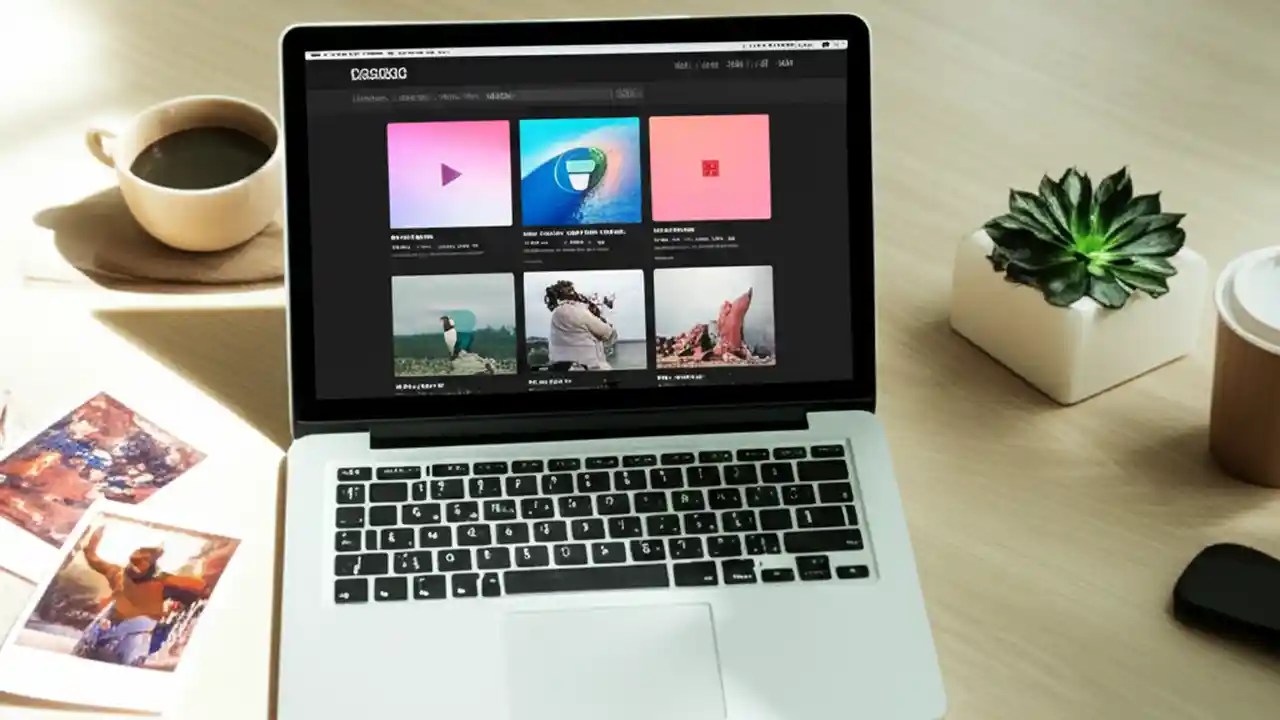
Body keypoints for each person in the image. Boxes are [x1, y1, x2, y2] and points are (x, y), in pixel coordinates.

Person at [74, 526, 206, 667]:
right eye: (133, 561)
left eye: (140, 563)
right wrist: (92, 544)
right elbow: (93, 558)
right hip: (108, 628)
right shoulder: (118, 573)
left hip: (136, 635)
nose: (134, 566)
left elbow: (199, 588)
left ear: (150, 566)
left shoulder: (163, 582)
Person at [544, 280, 617, 370]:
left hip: (562, 370)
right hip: (590, 370)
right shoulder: (578, 311)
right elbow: (609, 334)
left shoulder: (556, 314)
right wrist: (601, 318)